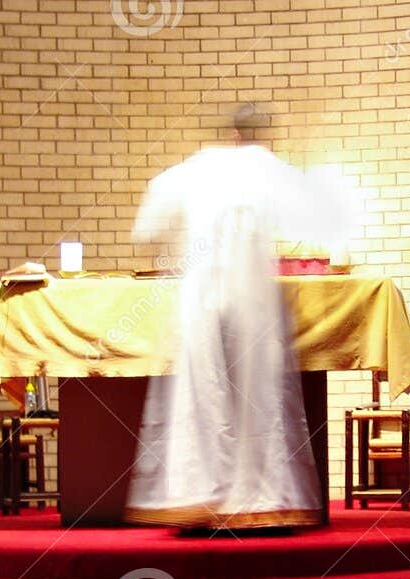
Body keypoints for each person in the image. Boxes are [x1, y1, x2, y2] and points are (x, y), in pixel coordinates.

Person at [125, 103, 322, 531]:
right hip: (251, 299)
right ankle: (262, 499)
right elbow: (312, 219)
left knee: (203, 393)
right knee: (259, 397)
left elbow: (145, 226)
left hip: (201, 296)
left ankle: (199, 495)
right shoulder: (269, 168)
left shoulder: (199, 167)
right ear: (262, 136)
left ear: (233, 133)